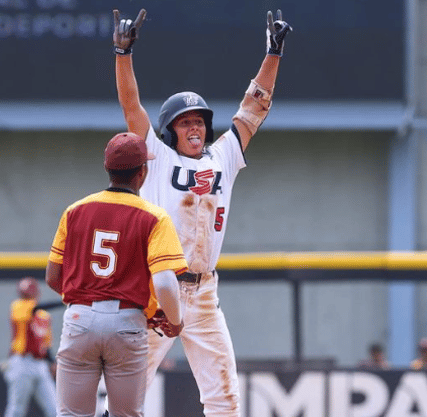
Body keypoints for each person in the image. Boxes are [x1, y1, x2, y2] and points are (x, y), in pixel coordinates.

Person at [109, 7, 292, 417]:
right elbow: (131, 108)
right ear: (168, 129)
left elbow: (253, 109)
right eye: (184, 122)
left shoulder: (223, 155)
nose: (194, 128)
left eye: (199, 121)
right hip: (159, 287)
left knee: (225, 400)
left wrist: (273, 54)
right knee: (125, 395)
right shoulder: (154, 154)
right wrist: (123, 56)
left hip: (205, 291)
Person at [45, 132, 187, 417]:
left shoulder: (75, 211)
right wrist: (175, 320)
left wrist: (85, 302)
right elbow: (164, 283)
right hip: (127, 322)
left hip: (79, 319)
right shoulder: (154, 217)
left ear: (107, 168)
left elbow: (53, 277)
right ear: (142, 172)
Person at [3, 277, 57, 417]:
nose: (27, 296)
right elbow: (31, 310)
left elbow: (44, 344)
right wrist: (63, 302)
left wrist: (51, 362)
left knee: (55, 408)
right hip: (21, 362)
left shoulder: (44, 316)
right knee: (16, 409)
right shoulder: (18, 306)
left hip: (40, 365)